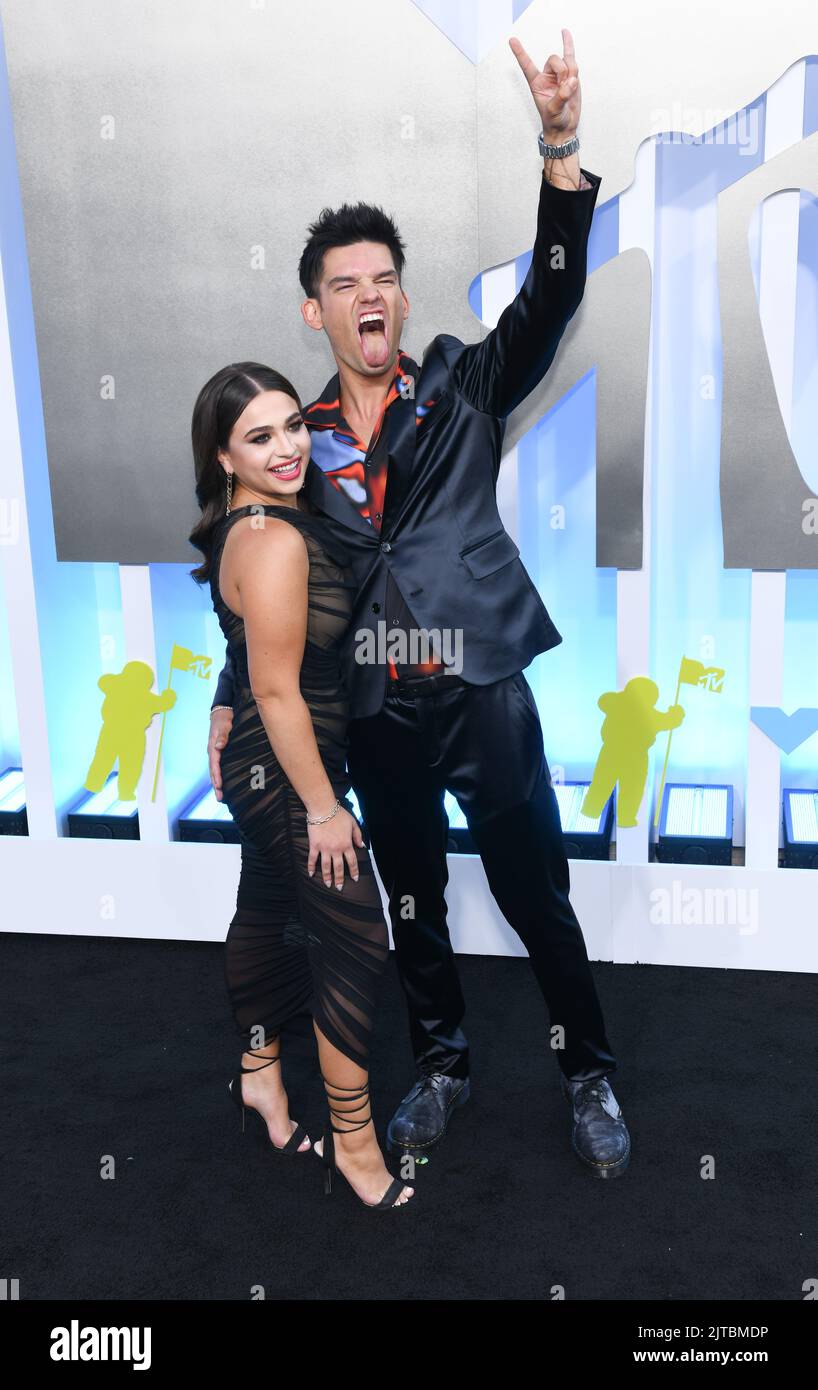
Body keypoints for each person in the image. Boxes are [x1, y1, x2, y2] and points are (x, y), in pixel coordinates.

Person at [208, 29, 631, 1177]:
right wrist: (230, 691)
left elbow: (549, 297)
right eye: (343, 283)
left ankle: (586, 1071)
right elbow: (260, 588)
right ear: (315, 311)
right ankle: (440, 1064)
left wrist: (558, 149)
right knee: (413, 901)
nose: (369, 295)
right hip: (375, 711)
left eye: (382, 277)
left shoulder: (462, 381)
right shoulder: (289, 448)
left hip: (480, 684)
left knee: (535, 895)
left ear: (399, 295)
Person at [189, 362, 414, 1209]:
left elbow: (245, 652)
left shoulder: (248, 524)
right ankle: (354, 1146)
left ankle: (259, 1076)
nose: (288, 448)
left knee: (266, 911)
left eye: (293, 425)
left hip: (267, 762)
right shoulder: (276, 539)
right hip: (292, 772)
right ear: (224, 457)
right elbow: (279, 689)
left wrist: (223, 705)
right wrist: (324, 809)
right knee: (355, 943)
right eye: (260, 437)